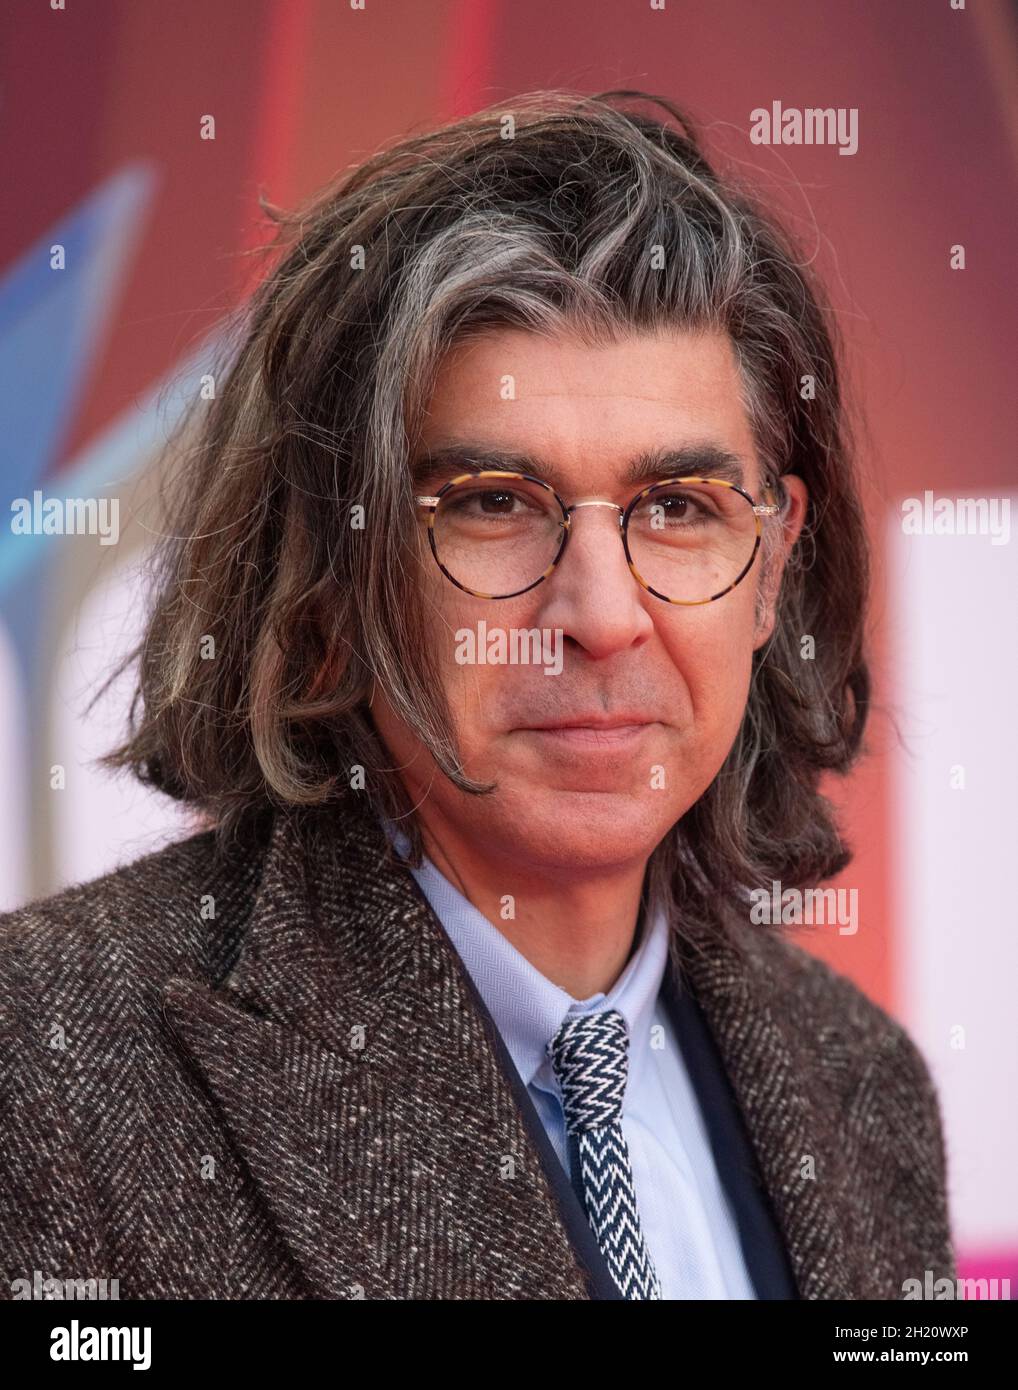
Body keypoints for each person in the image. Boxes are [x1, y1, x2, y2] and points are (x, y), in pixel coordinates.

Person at [0, 89, 954, 1301]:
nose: (603, 614)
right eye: (494, 503)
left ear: (770, 567)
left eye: (677, 509)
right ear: (330, 579)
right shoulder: (41, 1061)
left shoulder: (862, 1085)